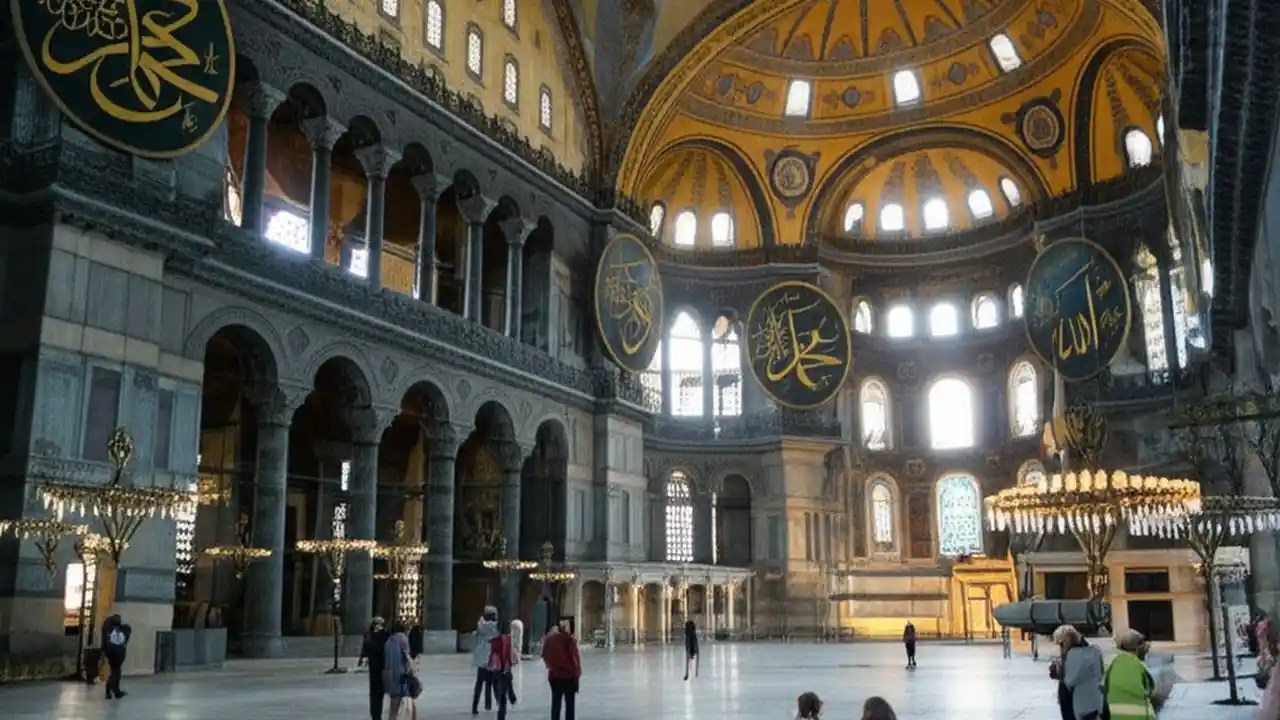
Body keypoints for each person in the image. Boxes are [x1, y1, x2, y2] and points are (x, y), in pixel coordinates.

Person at [1053, 625, 1104, 720]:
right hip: (1097, 702)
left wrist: (1060, 672)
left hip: (1080, 706)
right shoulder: (1095, 651)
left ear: (1063, 643)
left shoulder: (1073, 656)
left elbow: (1069, 681)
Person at [1104, 629, 1157, 720]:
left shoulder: (1108, 661)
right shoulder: (1137, 665)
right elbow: (1150, 689)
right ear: (1137, 649)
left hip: (1113, 716)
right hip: (1141, 716)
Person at [542, 623, 581, 720]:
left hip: (554, 676)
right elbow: (574, 659)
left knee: (556, 703)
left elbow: (544, 655)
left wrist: (551, 666)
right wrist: (577, 674)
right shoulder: (569, 640)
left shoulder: (549, 641)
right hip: (569, 676)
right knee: (570, 704)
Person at [384, 620, 418, 720]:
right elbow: (407, 658)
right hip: (403, 675)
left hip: (393, 676)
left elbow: (388, 661)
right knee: (410, 702)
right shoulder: (403, 639)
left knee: (393, 708)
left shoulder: (389, 641)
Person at [488, 620, 520, 720]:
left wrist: (490, 664)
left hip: (498, 668)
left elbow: (492, 653)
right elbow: (510, 653)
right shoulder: (508, 639)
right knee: (506, 685)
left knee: (499, 688)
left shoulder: (495, 640)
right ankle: (508, 702)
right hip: (505, 667)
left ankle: (501, 711)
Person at [360, 617, 389, 720]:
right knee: (376, 692)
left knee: (377, 693)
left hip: (379, 667)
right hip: (377, 667)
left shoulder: (381, 635)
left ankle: (377, 714)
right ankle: (376, 714)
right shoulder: (372, 635)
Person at [471, 606, 499, 715]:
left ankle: (475, 706)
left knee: (479, 683)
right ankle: (498, 703)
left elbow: (476, 633)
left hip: (482, 658)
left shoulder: (481, 625)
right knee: (494, 683)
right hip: (493, 658)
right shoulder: (496, 626)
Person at [101, 613, 132, 700]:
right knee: (116, 671)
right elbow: (126, 635)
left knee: (115, 670)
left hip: (111, 651)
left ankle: (113, 691)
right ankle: (112, 690)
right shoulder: (123, 630)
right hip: (119, 652)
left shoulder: (108, 629)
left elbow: (104, 640)